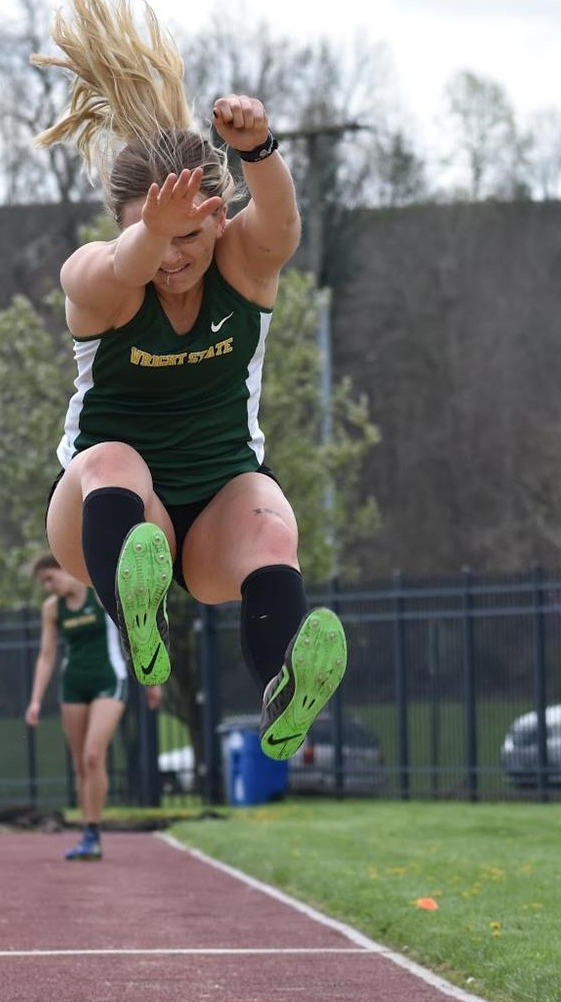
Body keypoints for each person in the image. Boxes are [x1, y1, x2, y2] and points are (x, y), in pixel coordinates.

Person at [31, 0, 345, 764]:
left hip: (209, 514)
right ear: (127, 227)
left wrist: (259, 150)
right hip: (100, 516)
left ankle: (285, 690)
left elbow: (281, 227)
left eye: (192, 235)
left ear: (219, 218)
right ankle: (137, 618)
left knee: (271, 521)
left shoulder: (241, 266)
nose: (175, 258)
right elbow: (125, 262)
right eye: (157, 236)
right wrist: (155, 228)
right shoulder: (99, 280)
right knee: (115, 459)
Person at [24, 554, 162, 861]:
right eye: (44, 583)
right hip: (73, 684)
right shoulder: (52, 609)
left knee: (93, 756)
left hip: (109, 680)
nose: (48, 587)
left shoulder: (100, 595)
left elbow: (133, 635)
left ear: (64, 569)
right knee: (79, 764)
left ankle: (94, 830)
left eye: (50, 579)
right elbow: (46, 655)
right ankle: (88, 837)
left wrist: (150, 680)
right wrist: (35, 700)